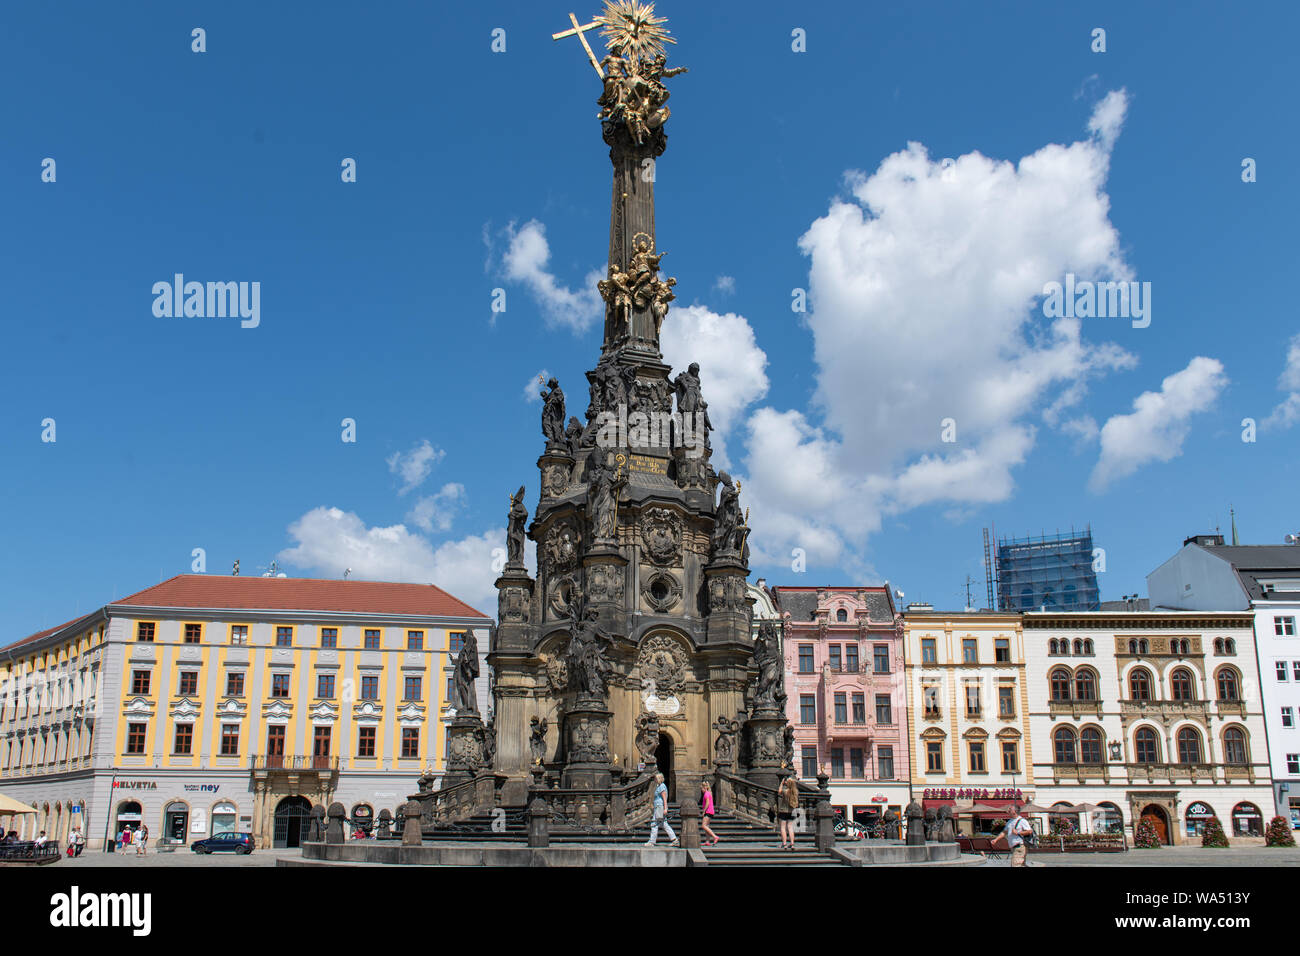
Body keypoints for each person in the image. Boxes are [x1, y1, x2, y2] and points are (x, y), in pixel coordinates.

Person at [645, 772, 678, 847]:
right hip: (658, 806)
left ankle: (652, 841)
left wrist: (665, 808)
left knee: (654, 824)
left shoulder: (662, 787)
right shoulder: (659, 786)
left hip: (660, 807)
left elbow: (664, 799)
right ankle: (674, 839)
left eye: (656, 778)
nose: (655, 780)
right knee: (663, 824)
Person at [777, 775, 800, 850]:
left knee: (783, 828)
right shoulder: (796, 792)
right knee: (790, 827)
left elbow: (779, 792)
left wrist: (781, 783)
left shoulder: (785, 791)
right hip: (792, 811)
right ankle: (792, 843)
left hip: (784, 811)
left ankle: (784, 844)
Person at [700, 779, 719, 846]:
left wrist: (704, 811)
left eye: (701, 788)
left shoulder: (706, 794)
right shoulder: (709, 793)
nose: (701, 790)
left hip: (708, 811)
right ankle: (707, 841)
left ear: (704, 787)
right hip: (711, 811)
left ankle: (715, 836)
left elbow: (707, 803)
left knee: (703, 825)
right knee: (707, 826)